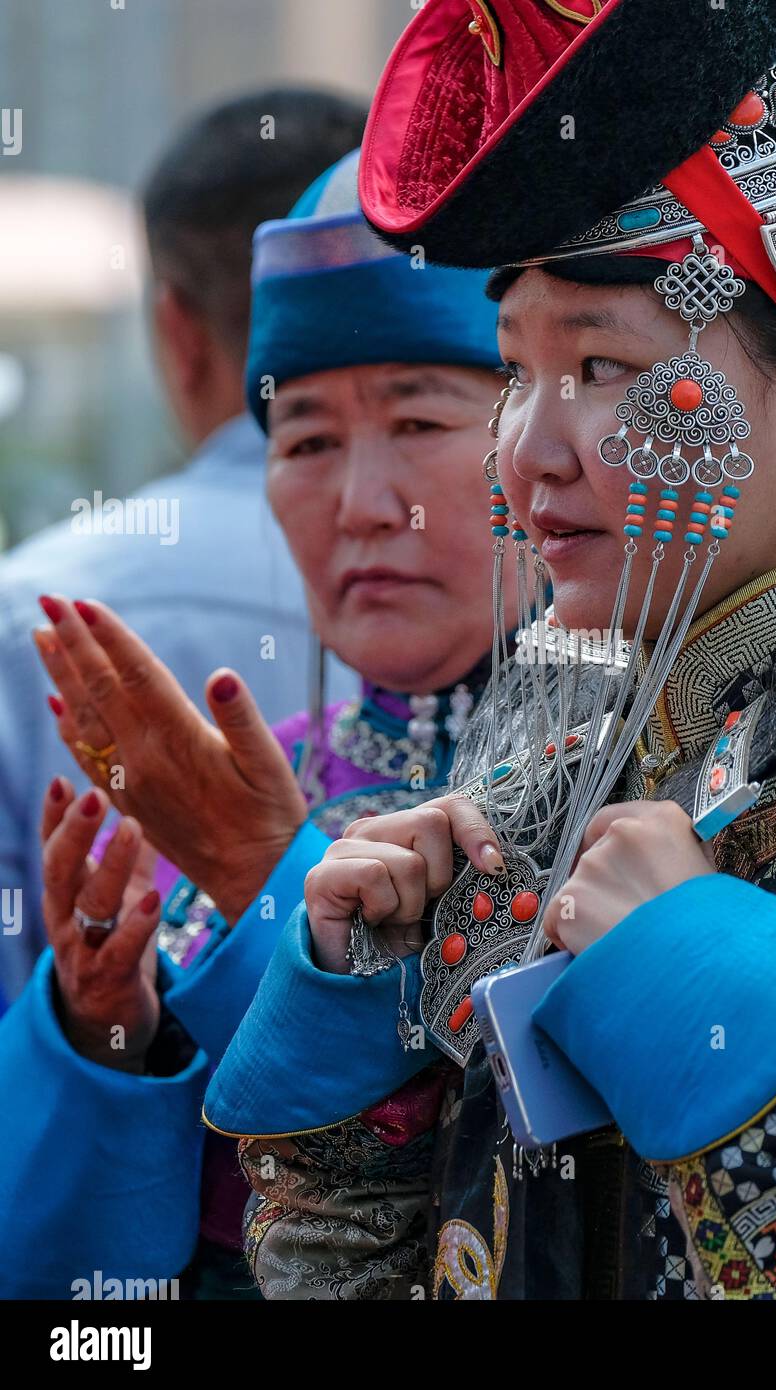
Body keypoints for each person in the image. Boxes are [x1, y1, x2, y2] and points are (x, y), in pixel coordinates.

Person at [207, 0, 776, 1300]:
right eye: (514, 369)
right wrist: (360, 1075)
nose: (529, 449)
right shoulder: (530, 806)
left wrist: (719, 1013)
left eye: (600, 362)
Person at [0, 149, 508, 1298]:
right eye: (309, 441)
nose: (363, 504)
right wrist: (105, 1029)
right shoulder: (270, 767)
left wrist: (268, 883)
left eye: (421, 421)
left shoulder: (647, 771)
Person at [0, 89, 366, 1005]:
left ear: (174, 328)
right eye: (309, 439)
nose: (358, 515)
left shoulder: (30, 605)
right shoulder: (548, 593)